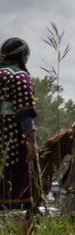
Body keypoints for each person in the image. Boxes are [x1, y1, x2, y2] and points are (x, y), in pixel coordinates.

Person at [0, 37, 38, 222]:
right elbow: (24, 113)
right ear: (23, 55)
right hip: (11, 139)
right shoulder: (19, 76)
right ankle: (12, 231)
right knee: (14, 183)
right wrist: (30, 141)